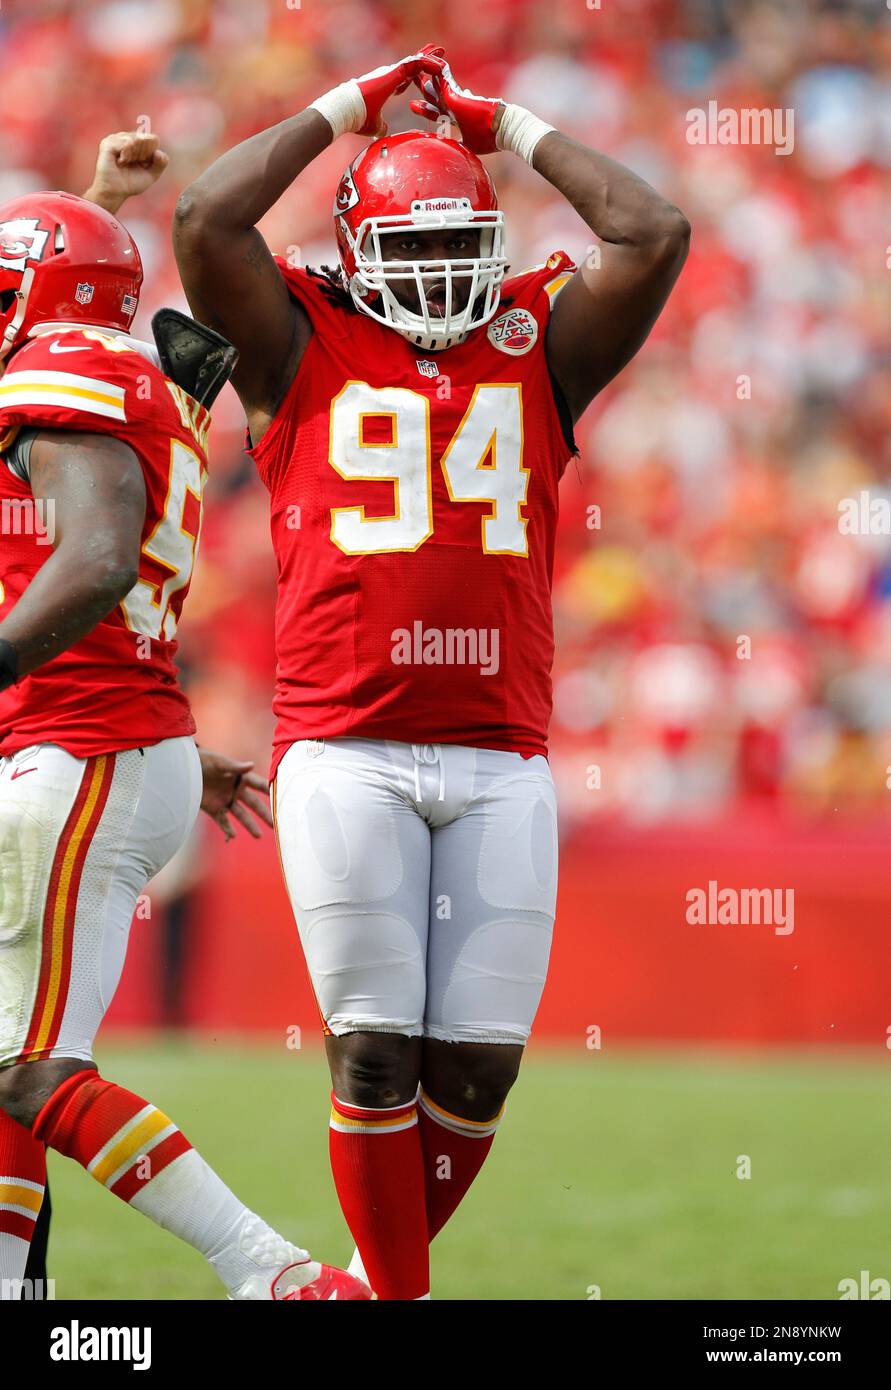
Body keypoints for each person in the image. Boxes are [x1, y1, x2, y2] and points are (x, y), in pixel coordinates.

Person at [172, 45, 690, 1299]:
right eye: (406, 249)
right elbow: (203, 215)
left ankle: (355, 1284)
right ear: (353, 250)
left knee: (478, 1071)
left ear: (494, 239)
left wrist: (506, 122)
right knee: (370, 1054)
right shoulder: (298, 339)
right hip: (346, 746)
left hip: (502, 752)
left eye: (460, 244)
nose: (436, 273)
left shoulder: (541, 343)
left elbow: (654, 227)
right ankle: (397, 1301)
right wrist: (346, 107)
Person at [0, 148, 368, 1300]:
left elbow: (101, 557)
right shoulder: (135, 374)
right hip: (114, 742)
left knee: (30, 1066)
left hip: (82, 746)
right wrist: (97, 210)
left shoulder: (60, 371)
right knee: (9, 1052)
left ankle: (274, 1272)